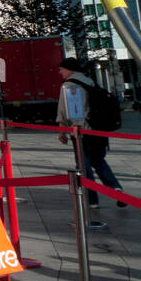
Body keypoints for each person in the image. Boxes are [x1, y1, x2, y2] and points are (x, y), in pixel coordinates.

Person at [56, 57, 124, 209]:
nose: (60, 72)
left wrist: (63, 131)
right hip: (99, 130)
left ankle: (92, 200)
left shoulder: (69, 85)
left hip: (82, 131)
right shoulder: (90, 81)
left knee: (84, 165)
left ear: (70, 69)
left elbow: (66, 110)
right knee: (98, 160)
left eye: (62, 69)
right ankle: (116, 189)